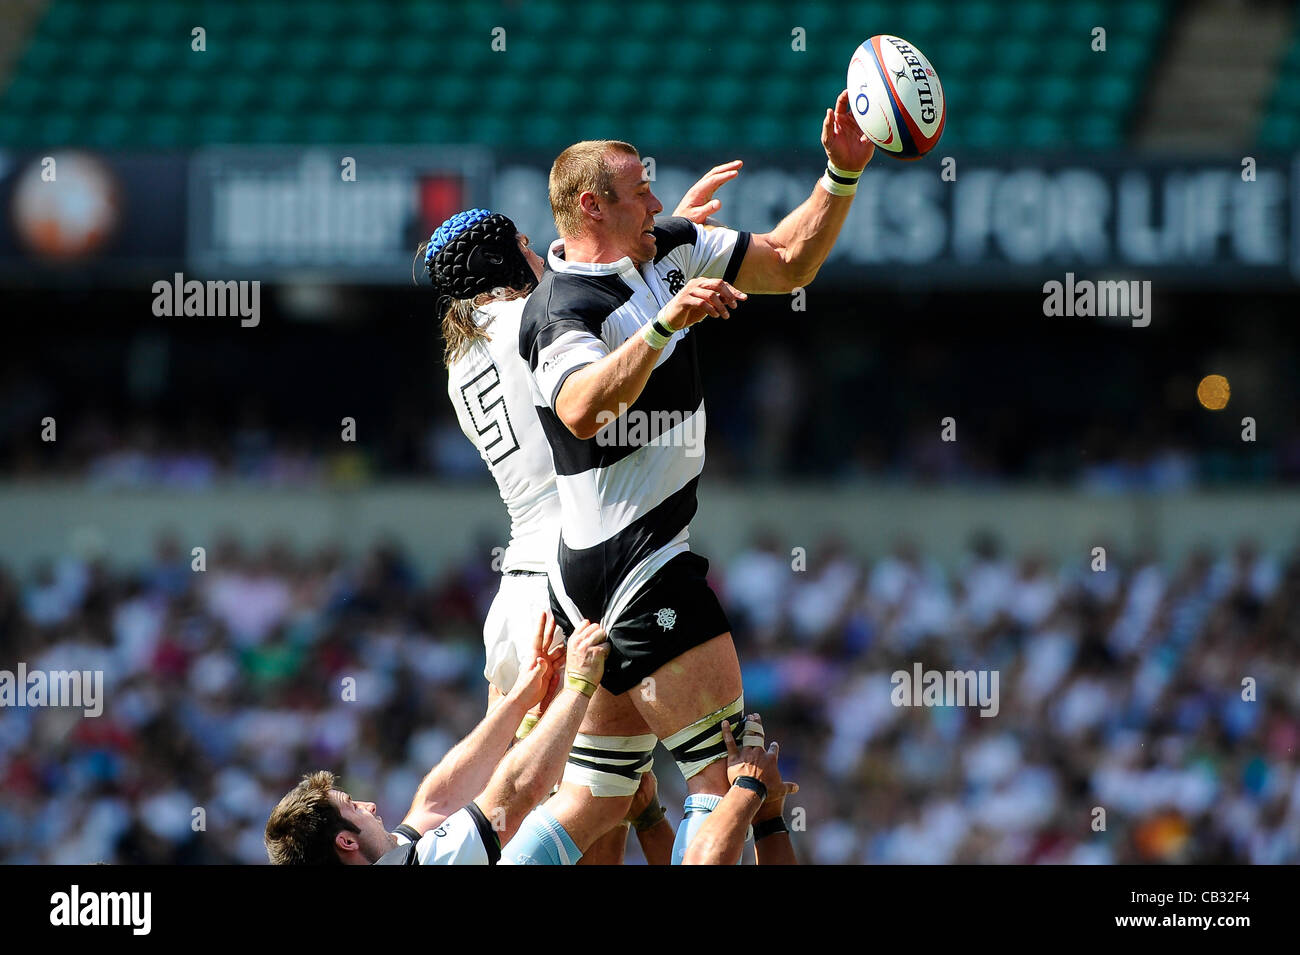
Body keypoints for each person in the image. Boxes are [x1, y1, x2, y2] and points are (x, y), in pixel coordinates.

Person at [513, 91, 873, 863]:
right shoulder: (558, 308)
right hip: (641, 565)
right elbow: (582, 407)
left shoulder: (666, 248)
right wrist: (668, 321)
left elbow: (787, 260)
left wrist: (839, 175)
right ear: (591, 205)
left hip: (589, 578)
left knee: (597, 796)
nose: (656, 198)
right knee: (725, 784)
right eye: (639, 188)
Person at [423, 163, 743, 863]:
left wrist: (647, 244)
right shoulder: (535, 318)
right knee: (644, 797)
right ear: (503, 262)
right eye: (530, 246)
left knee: (582, 807)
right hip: (568, 584)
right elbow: (597, 317)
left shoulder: (463, 359)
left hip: (511, 602)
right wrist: (651, 263)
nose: (545, 253)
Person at [263, 614, 608, 865]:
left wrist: (518, 702)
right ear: (346, 841)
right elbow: (516, 793)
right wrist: (579, 685)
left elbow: (436, 803)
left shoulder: (389, 857)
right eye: (353, 807)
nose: (370, 806)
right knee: (592, 797)